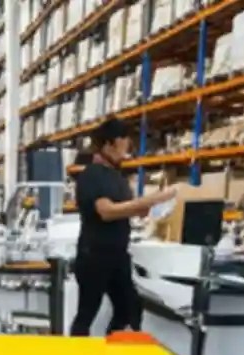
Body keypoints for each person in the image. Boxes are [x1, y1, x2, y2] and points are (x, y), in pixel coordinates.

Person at [69, 118, 177, 337]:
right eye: (124, 140)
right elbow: (106, 211)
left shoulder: (117, 177)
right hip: (95, 254)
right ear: (110, 143)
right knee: (87, 313)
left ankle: (112, 352)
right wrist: (150, 200)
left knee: (130, 308)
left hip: (117, 253)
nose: (128, 145)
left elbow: (129, 208)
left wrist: (152, 208)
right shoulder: (92, 175)